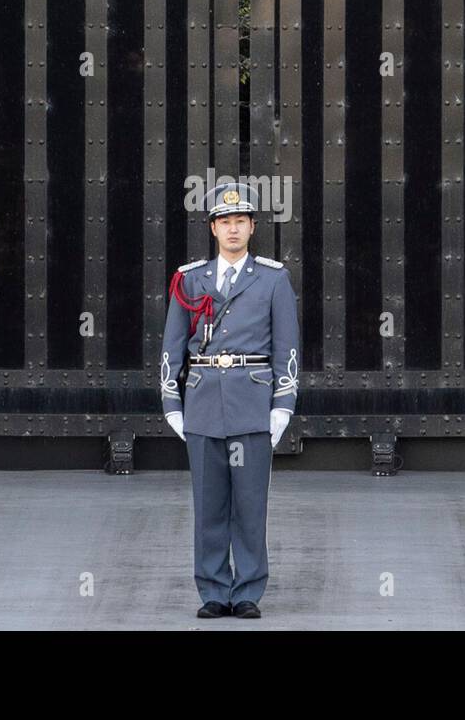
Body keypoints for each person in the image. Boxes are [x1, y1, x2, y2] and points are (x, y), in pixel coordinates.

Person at [159, 181, 300, 618]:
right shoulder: (191, 278)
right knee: (209, 504)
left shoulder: (274, 278)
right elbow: (172, 345)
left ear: (253, 227)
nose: (233, 229)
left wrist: (283, 403)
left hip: (252, 400)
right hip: (203, 402)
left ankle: (248, 591)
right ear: (213, 228)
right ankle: (214, 590)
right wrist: (171, 403)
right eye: (225, 221)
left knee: (250, 503)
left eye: (241, 221)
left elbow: (286, 346)